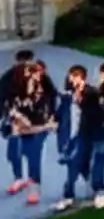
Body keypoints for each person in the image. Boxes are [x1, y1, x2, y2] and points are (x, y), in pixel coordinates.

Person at [53, 65, 104, 212]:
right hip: (78, 136)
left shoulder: (91, 93)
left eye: (73, 76)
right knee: (74, 164)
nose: (70, 80)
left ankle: (100, 192)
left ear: (80, 77)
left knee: (95, 162)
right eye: (70, 77)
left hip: (92, 134)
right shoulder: (69, 96)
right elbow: (60, 113)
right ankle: (69, 196)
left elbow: (98, 113)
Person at [9, 62, 55, 206]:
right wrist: (18, 117)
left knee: (33, 154)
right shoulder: (19, 89)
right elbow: (13, 109)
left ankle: (34, 189)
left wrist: (47, 124)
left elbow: (44, 119)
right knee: (13, 152)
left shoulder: (44, 92)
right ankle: (19, 179)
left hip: (38, 127)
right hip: (21, 126)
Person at [2, 49, 34, 195]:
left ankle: (25, 178)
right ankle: (20, 177)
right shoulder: (8, 78)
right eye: (22, 63)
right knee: (13, 151)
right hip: (15, 117)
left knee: (25, 149)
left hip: (33, 119)